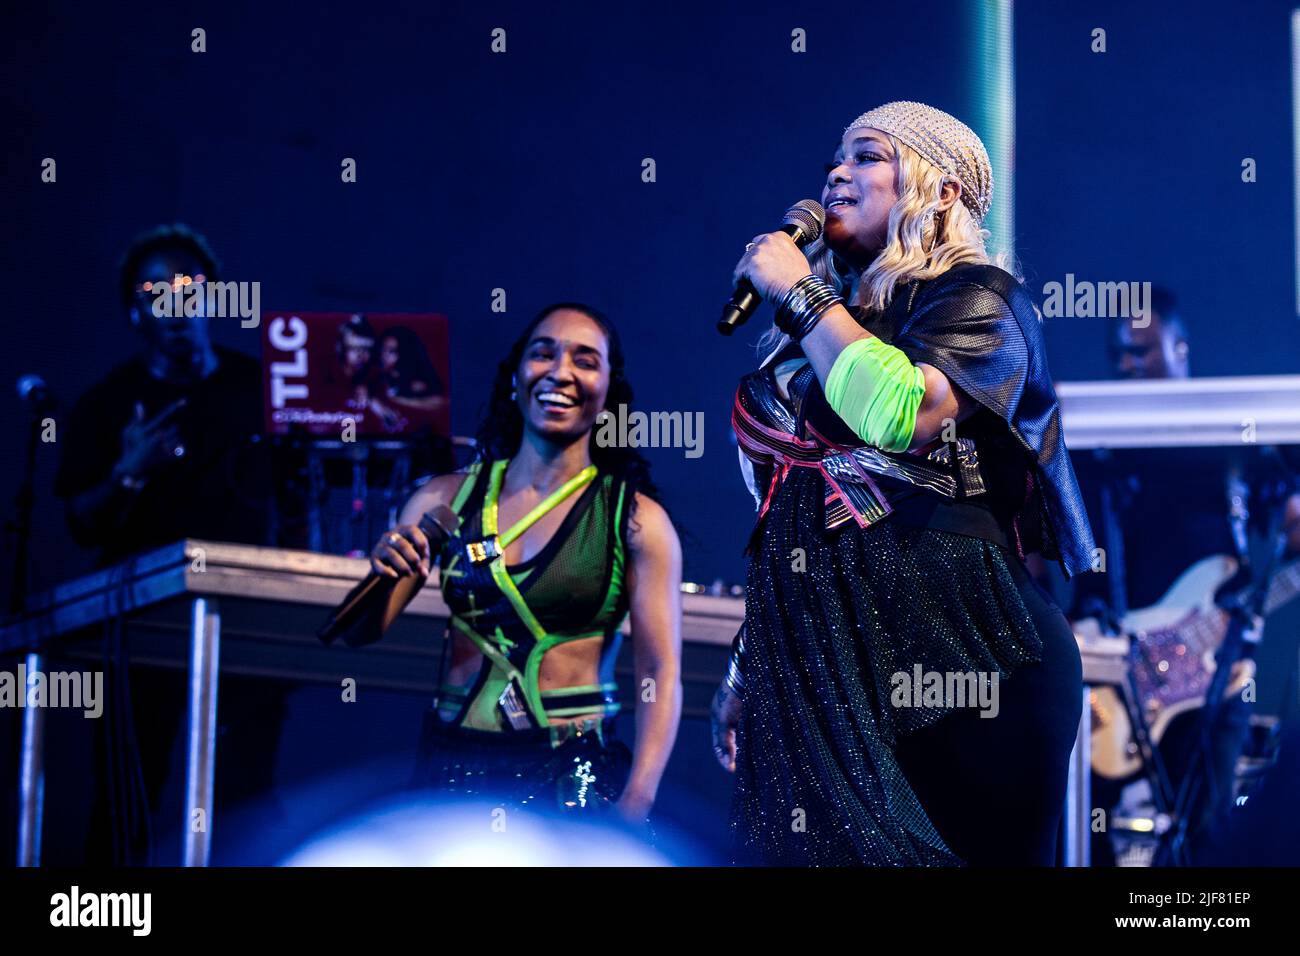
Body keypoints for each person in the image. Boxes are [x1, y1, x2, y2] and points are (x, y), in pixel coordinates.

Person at [710, 102, 1094, 866]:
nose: (835, 175)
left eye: (866, 156)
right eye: (834, 158)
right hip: (832, 662)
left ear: (940, 190)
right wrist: (751, 661)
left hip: (966, 654)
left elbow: (899, 410)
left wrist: (803, 295)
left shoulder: (982, 300)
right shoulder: (831, 333)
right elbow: (795, 509)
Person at [365, 303, 683, 823]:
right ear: (515, 378)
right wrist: (382, 573)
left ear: (608, 392)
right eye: (543, 353)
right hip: (452, 768)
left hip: (570, 775)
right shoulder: (443, 500)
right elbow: (365, 630)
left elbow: (659, 670)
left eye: (585, 360)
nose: (560, 372)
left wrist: (638, 800)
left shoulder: (636, 522)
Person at [54, 223, 287, 864]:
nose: (179, 303)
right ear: (137, 310)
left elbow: (304, 484)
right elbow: (81, 521)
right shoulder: (108, 403)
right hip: (143, 630)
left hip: (246, 624)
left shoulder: (260, 388)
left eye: (192, 288)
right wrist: (128, 472)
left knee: (246, 797)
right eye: (161, 291)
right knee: (125, 799)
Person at [1071, 291, 1300, 865]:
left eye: (1142, 351)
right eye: (1119, 354)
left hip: (1216, 673)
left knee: (1209, 828)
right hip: (1117, 670)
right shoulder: (1099, 445)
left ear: (1179, 347)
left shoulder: (1231, 441)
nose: (1128, 365)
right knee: (1091, 821)